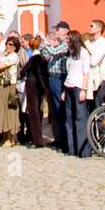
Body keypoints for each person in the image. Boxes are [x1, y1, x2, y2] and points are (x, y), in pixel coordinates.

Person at [61, 31, 90, 157]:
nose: (67, 40)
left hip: (78, 86)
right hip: (68, 85)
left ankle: (83, 150)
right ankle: (71, 148)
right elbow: (69, 72)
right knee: (69, 118)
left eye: (68, 38)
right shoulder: (70, 53)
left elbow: (86, 73)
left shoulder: (83, 52)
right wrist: (63, 90)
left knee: (80, 118)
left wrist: (83, 89)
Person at [43, 21, 69, 152]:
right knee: (54, 110)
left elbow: (53, 52)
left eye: (58, 30)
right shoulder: (57, 44)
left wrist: (47, 44)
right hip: (52, 77)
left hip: (59, 77)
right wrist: (47, 46)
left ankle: (64, 141)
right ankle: (58, 138)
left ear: (64, 31)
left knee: (60, 109)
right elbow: (46, 55)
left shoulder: (65, 44)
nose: (56, 32)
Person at [0, 32, 21, 146]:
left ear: (16, 46)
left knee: (9, 111)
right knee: (1, 110)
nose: (9, 46)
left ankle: (10, 138)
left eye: (11, 44)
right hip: (2, 85)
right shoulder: (6, 54)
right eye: (8, 43)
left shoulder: (13, 56)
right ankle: (4, 136)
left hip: (9, 86)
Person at [84, 18, 105, 110]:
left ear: (99, 29)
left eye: (92, 26)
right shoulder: (91, 43)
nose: (89, 27)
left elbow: (93, 61)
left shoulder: (103, 43)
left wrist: (88, 59)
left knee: (98, 107)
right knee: (90, 108)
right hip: (90, 79)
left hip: (99, 79)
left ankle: (101, 124)